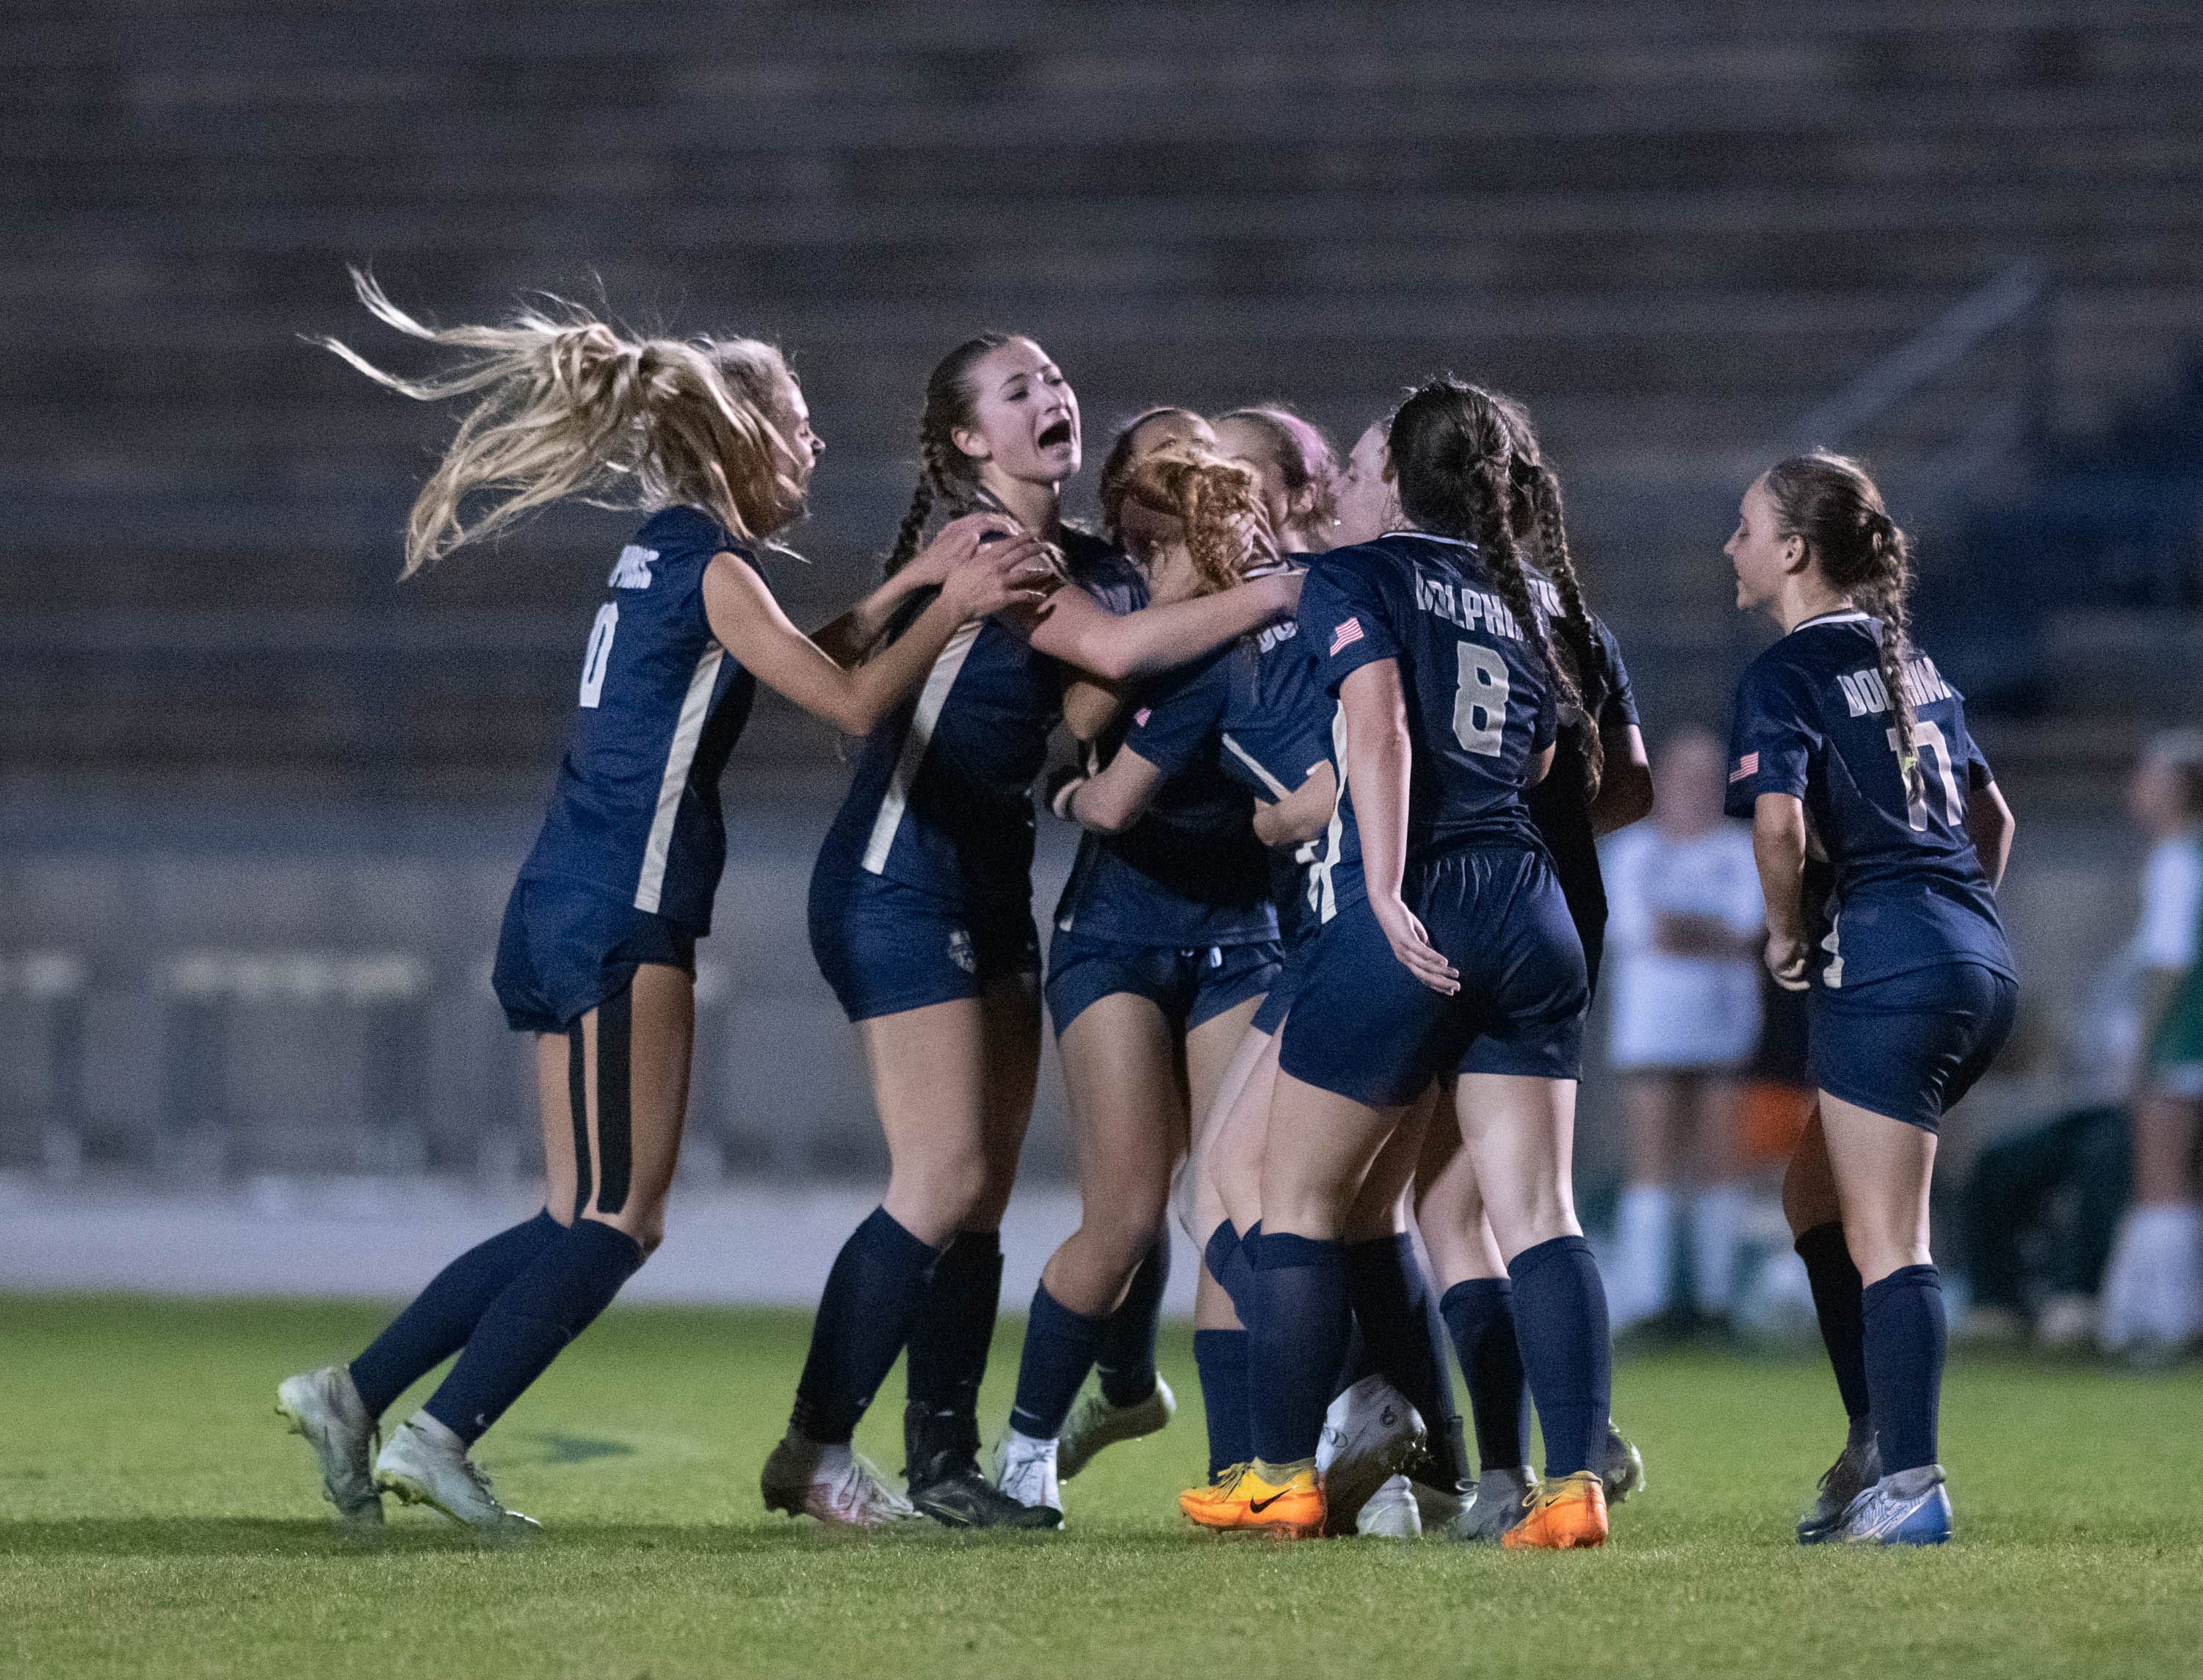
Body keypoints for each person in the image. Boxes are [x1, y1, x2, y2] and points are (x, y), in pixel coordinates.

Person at [275, 272, 1048, 1535]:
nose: (811, 443)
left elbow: (810, 650)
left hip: (565, 894)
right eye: (795, 423)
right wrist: (953, 601)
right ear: (738, 433)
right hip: (620, 910)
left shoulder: (672, 556)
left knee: (575, 1210)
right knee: (623, 1218)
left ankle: (355, 1392)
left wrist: (914, 592)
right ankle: (439, 1432)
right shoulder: (713, 561)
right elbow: (851, 707)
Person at [782, 342, 1300, 1529]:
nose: (1051, 397)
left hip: (988, 884)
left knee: (983, 1191)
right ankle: (814, 1446)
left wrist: (1187, 579)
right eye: (1017, 391)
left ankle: (946, 1464)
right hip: (896, 875)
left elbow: (1083, 702)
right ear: (968, 441)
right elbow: (1108, 662)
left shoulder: (1079, 564)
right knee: (947, 1175)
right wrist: (1281, 588)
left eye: (1055, 381)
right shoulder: (983, 546)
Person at [1187, 378, 1615, 1549]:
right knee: (1539, 1212)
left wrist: (1381, 882)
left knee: (1296, 1204)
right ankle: (1570, 1487)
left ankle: (1280, 1475)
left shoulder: (1357, 574)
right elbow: (1540, 761)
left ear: (1400, 480)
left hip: (1416, 901)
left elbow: (1376, 723)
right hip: (1529, 909)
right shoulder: (1530, 595)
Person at [986, 438, 1299, 1523]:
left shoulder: (1244, 636)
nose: (1129, 557)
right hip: (1118, 935)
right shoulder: (1140, 637)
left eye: (1144, 538)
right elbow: (1072, 720)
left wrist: (1070, 798)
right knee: (1127, 1217)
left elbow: (1094, 796)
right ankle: (1026, 1448)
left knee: (1227, 1208)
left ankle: (1235, 1471)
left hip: (1240, 934)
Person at [1726, 450, 2017, 1546]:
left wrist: (1791, 931)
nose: (1731, 545)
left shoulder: (1787, 672)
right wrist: (1946, 929)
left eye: (1746, 526)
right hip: (1975, 961)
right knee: (1816, 1201)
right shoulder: (1911, 660)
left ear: (1794, 551)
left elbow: (1779, 826)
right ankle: (1871, 1444)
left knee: (1890, 1237)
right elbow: (1995, 819)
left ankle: (1911, 1484)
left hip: (1890, 967)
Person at [1602, 728, 1765, 1335]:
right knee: (1652, 1166)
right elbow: (1647, 931)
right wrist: (1712, 935)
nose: (1694, 790)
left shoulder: (1742, 849)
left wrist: (1690, 931)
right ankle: (1649, 1307)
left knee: (1722, 1165)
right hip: (1650, 1031)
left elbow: (1752, 931)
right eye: (1683, 777)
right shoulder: (1630, 852)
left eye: (1706, 778)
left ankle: (1715, 1307)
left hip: (1725, 1028)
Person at [2097, 732, 2203, 1358]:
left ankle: (2156, 1324)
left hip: (2183, 1043)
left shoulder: (2174, 859)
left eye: (2149, 777)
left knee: (2160, 1184)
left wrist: (2143, 1053)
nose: (2137, 788)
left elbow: (2167, 965)